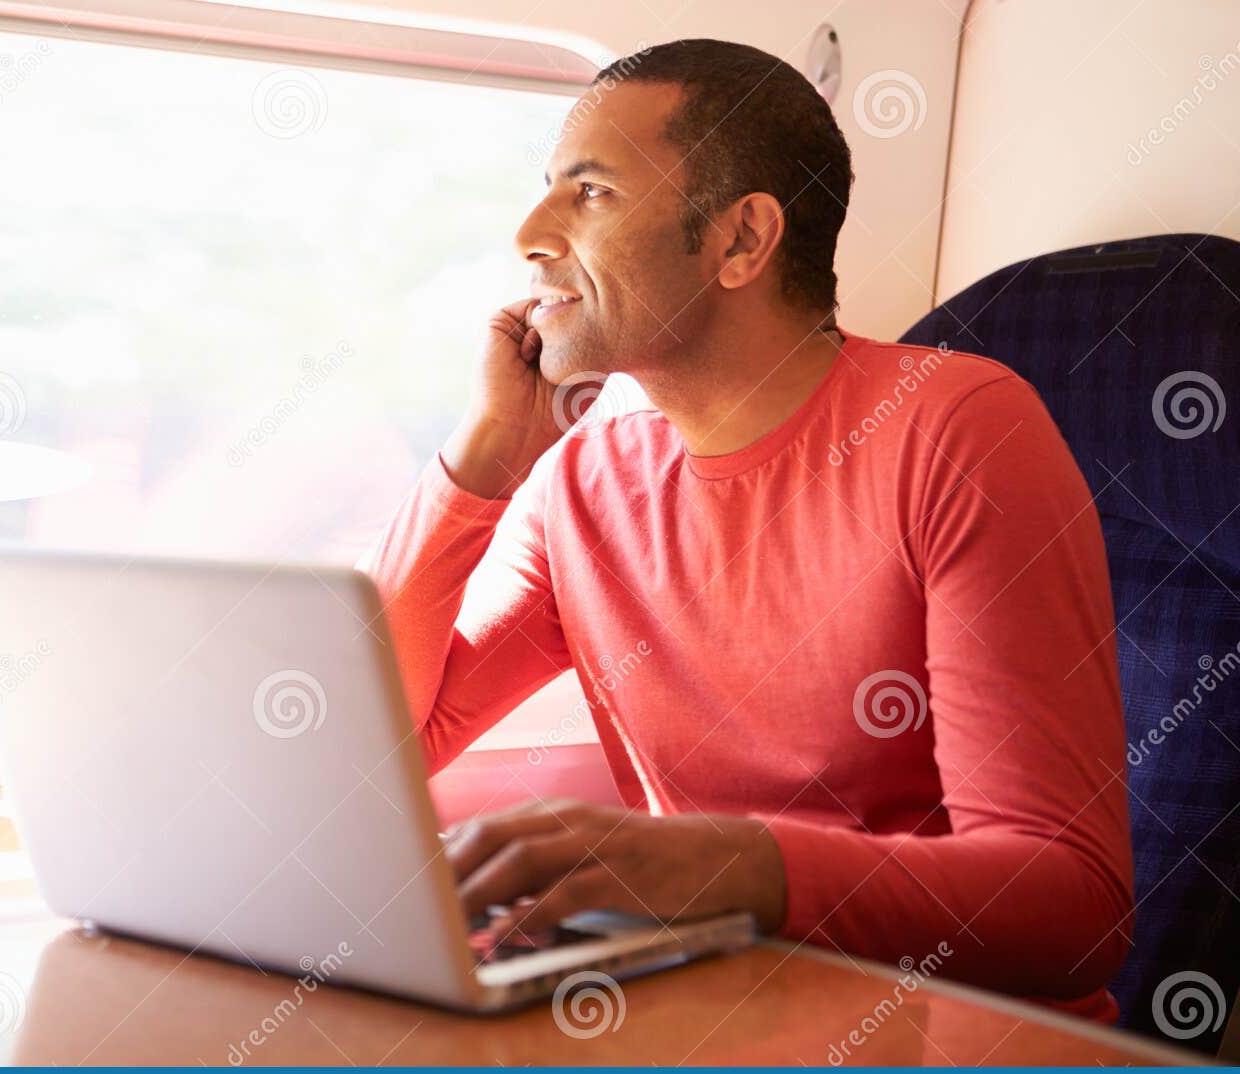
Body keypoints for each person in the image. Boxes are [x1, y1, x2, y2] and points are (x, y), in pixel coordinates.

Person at [360, 39, 1133, 1020]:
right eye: (544, 189)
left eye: (589, 193)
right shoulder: (579, 484)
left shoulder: (958, 429)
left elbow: (1072, 909)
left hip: (949, 1050)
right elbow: (382, 742)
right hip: (723, 1021)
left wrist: (738, 863)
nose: (529, 232)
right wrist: (478, 463)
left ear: (740, 240)